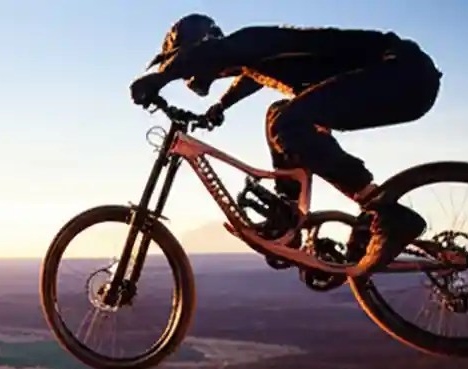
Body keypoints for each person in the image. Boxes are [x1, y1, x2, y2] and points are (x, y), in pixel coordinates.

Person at [129, 14, 443, 275]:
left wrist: (158, 79)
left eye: (188, 61)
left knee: (288, 123)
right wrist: (220, 109)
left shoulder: (249, 40)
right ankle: (289, 217)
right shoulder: (254, 58)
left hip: (400, 72)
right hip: (400, 76)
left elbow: (222, 52)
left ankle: (384, 210)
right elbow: (250, 79)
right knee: (280, 114)